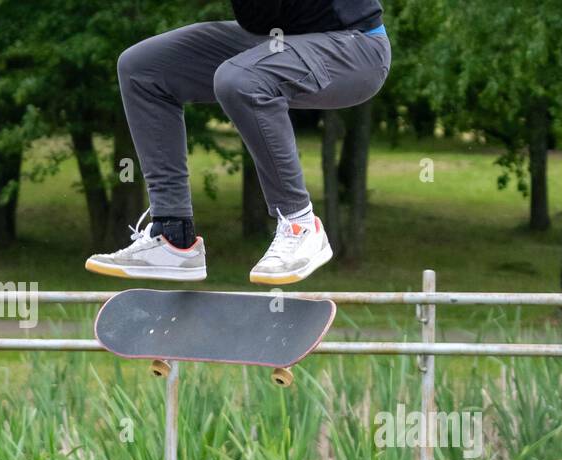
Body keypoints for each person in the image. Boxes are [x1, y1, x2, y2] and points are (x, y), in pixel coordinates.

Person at [87, 1, 390, 285]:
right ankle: (172, 236)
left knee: (240, 80)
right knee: (142, 69)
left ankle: (300, 224)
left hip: (355, 47)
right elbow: (258, 18)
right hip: (278, 39)